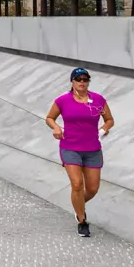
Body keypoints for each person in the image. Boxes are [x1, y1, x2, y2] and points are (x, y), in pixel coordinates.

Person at [45, 66, 114, 237]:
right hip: (70, 147)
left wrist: (104, 128)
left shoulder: (98, 100)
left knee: (92, 189)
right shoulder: (63, 100)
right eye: (78, 79)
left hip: (92, 149)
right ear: (72, 82)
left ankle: (78, 205)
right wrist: (55, 128)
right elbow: (49, 118)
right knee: (77, 184)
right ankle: (82, 221)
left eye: (85, 79)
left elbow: (110, 119)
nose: (82, 82)